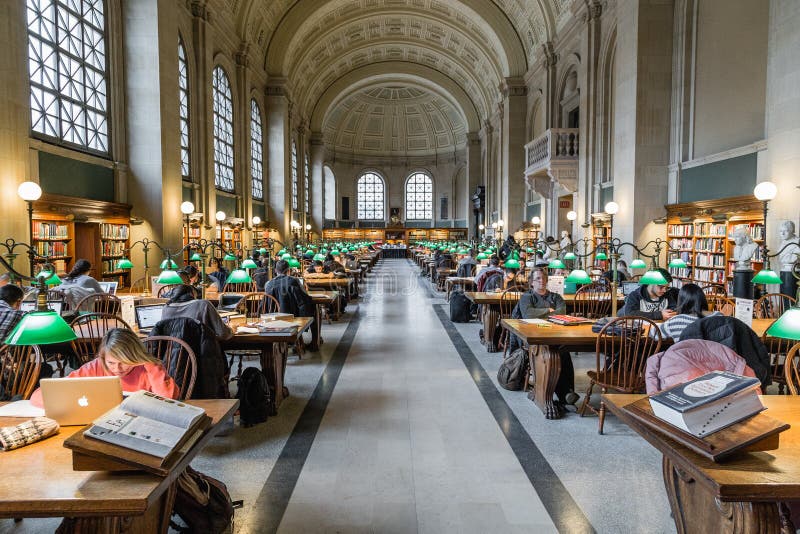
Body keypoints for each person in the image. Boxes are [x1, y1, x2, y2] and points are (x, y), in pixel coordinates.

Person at [30, 328, 180, 406]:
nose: (117, 368)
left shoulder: (148, 369)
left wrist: (150, 363)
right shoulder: (95, 367)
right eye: (111, 363)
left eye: (124, 361)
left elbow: (169, 400)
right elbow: (40, 395)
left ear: (136, 357)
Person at [507, 269, 575, 405]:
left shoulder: (556, 297)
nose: (542, 281)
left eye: (544, 278)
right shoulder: (527, 297)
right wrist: (548, 311)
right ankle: (561, 393)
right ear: (532, 283)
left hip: (553, 334)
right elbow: (528, 314)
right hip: (531, 337)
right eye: (538, 278)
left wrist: (542, 313)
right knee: (550, 353)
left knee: (564, 352)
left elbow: (561, 312)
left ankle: (567, 391)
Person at [264, 260, 319, 348]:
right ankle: (314, 342)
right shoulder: (294, 281)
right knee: (314, 310)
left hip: (273, 317)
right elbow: (304, 297)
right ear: (288, 270)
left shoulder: (268, 284)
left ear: (275, 270)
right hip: (293, 316)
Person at [161, 284, 233, 341]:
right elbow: (224, 334)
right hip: (201, 355)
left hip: (172, 357)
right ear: (193, 294)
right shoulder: (203, 304)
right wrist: (231, 329)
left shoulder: (166, 308)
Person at [657, 283, 721, 341]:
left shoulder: (675, 321)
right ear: (702, 298)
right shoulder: (719, 316)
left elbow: (653, 333)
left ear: (681, 301)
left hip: (684, 353)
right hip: (714, 353)